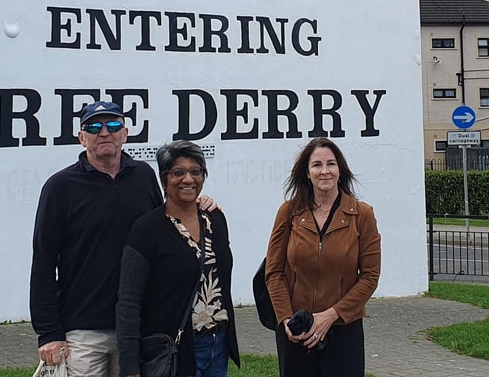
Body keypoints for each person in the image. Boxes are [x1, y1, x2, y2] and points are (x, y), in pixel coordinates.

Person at [30, 101, 215, 376]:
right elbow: (44, 262)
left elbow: (166, 227)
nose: (104, 132)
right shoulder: (60, 187)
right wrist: (48, 333)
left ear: (125, 134)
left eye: (113, 125)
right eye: (94, 127)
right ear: (82, 138)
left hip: (138, 325)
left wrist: (199, 204)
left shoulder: (143, 176)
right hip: (83, 328)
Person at [117, 141, 240, 377]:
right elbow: (129, 302)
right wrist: (130, 365)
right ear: (164, 180)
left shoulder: (215, 220)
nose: (188, 179)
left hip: (218, 343)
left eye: (195, 171)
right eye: (178, 172)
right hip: (176, 348)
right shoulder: (147, 230)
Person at [264, 137, 381, 377]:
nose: (324, 171)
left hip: (343, 329)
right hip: (297, 330)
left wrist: (330, 316)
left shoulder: (362, 214)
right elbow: (273, 272)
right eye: (317, 165)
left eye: (331, 164)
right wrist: (286, 319)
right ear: (307, 173)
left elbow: (370, 276)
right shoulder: (289, 212)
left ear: (340, 170)